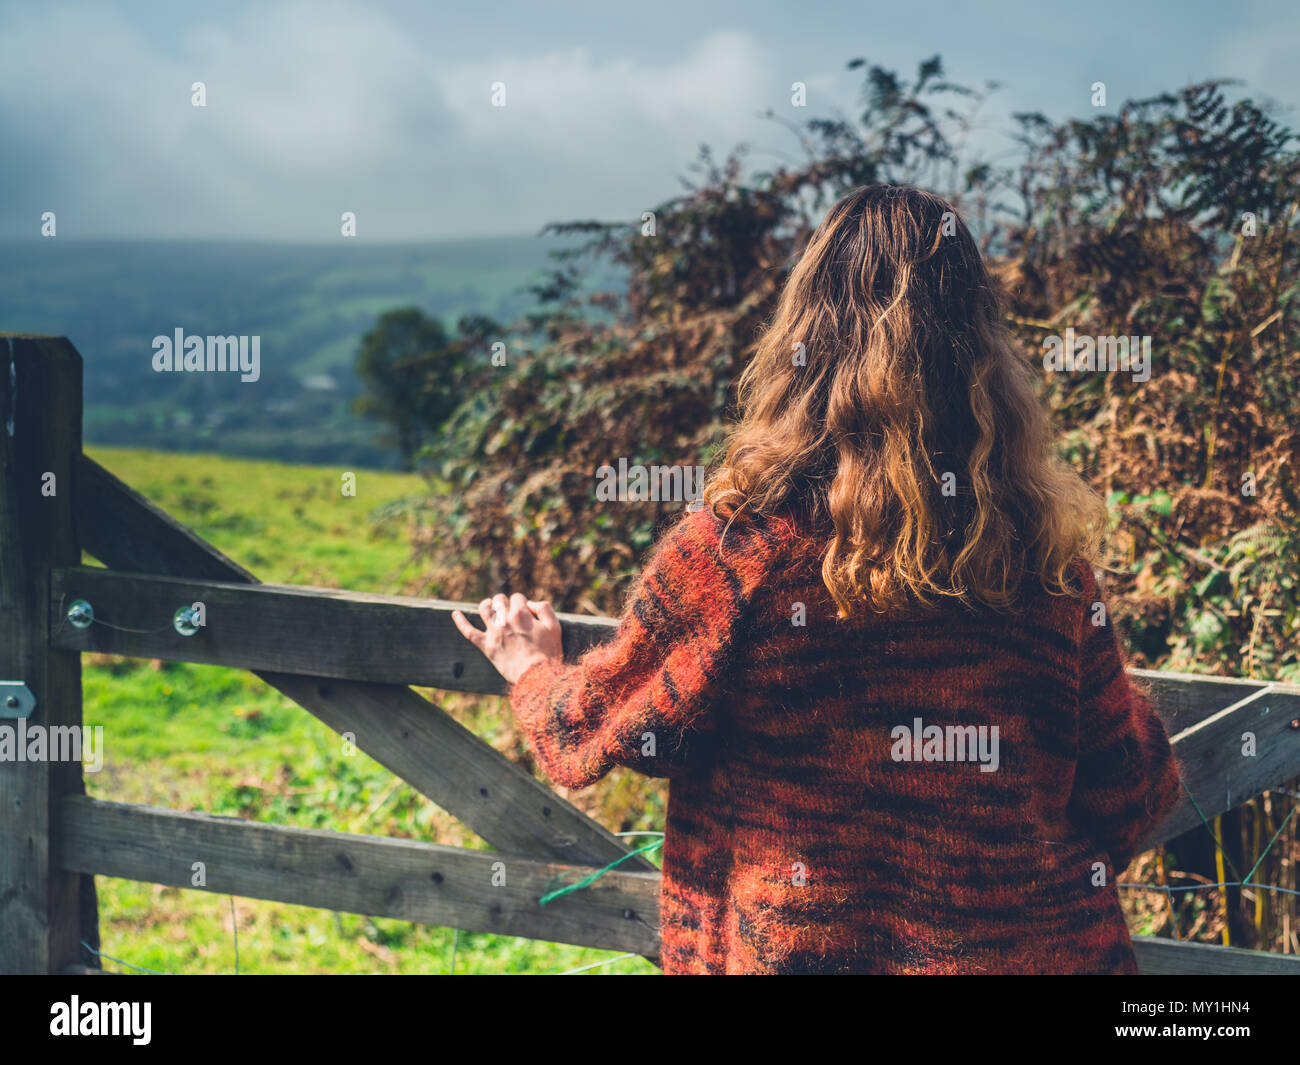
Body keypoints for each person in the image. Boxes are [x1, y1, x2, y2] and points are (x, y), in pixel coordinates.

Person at [452, 183, 1181, 975]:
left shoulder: (742, 556)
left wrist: (529, 667)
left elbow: (597, 725)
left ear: (805, 335)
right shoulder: (1045, 563)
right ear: (980, 352)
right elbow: (1128, 791)